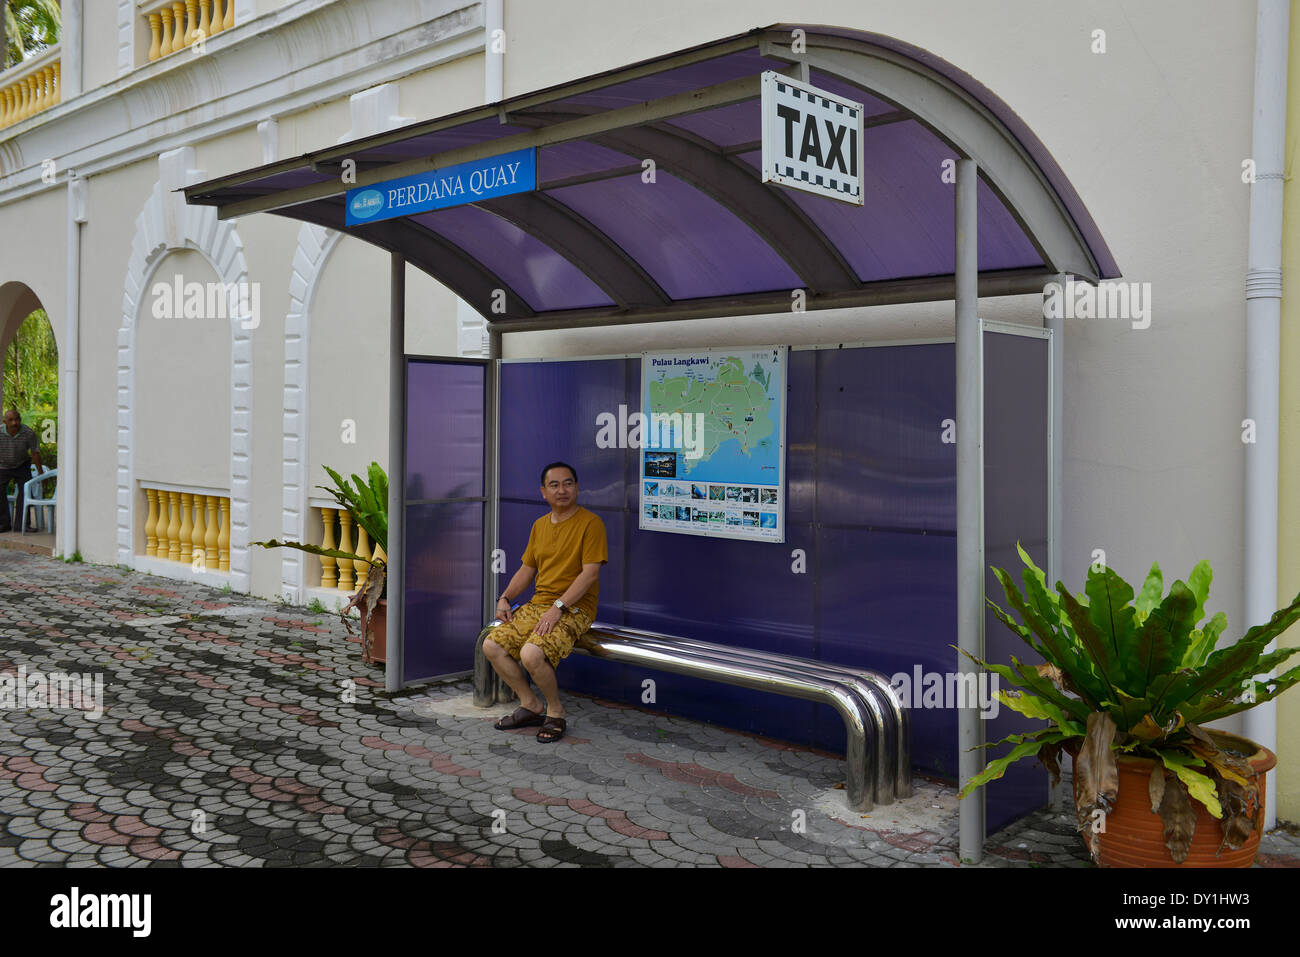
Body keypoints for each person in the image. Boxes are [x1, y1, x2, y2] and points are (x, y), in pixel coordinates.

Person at [482, 461, 607, 743]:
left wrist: (558, 608)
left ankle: (556, 711)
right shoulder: (539, 525)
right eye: (554, 485)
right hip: (541, 606)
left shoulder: (591, 523)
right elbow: (527, 570)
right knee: (491, 644)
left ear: (576, 487)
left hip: (574, 609)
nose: (562, 490)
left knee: (531, 654)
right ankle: (531, 704)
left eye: (568, 483)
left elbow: (590, 574)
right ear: (543, 492)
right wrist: (505, 597)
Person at [0, 408, 43, 534]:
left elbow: (35, 453)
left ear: (20, 420)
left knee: (25, 492)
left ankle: (22, 524)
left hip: (22, 465)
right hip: (2, 466)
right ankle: (3, 524)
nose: (14, 423)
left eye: (17, 419)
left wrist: (41, 474)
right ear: (5, 422)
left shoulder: (28, 433)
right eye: (11, 420)